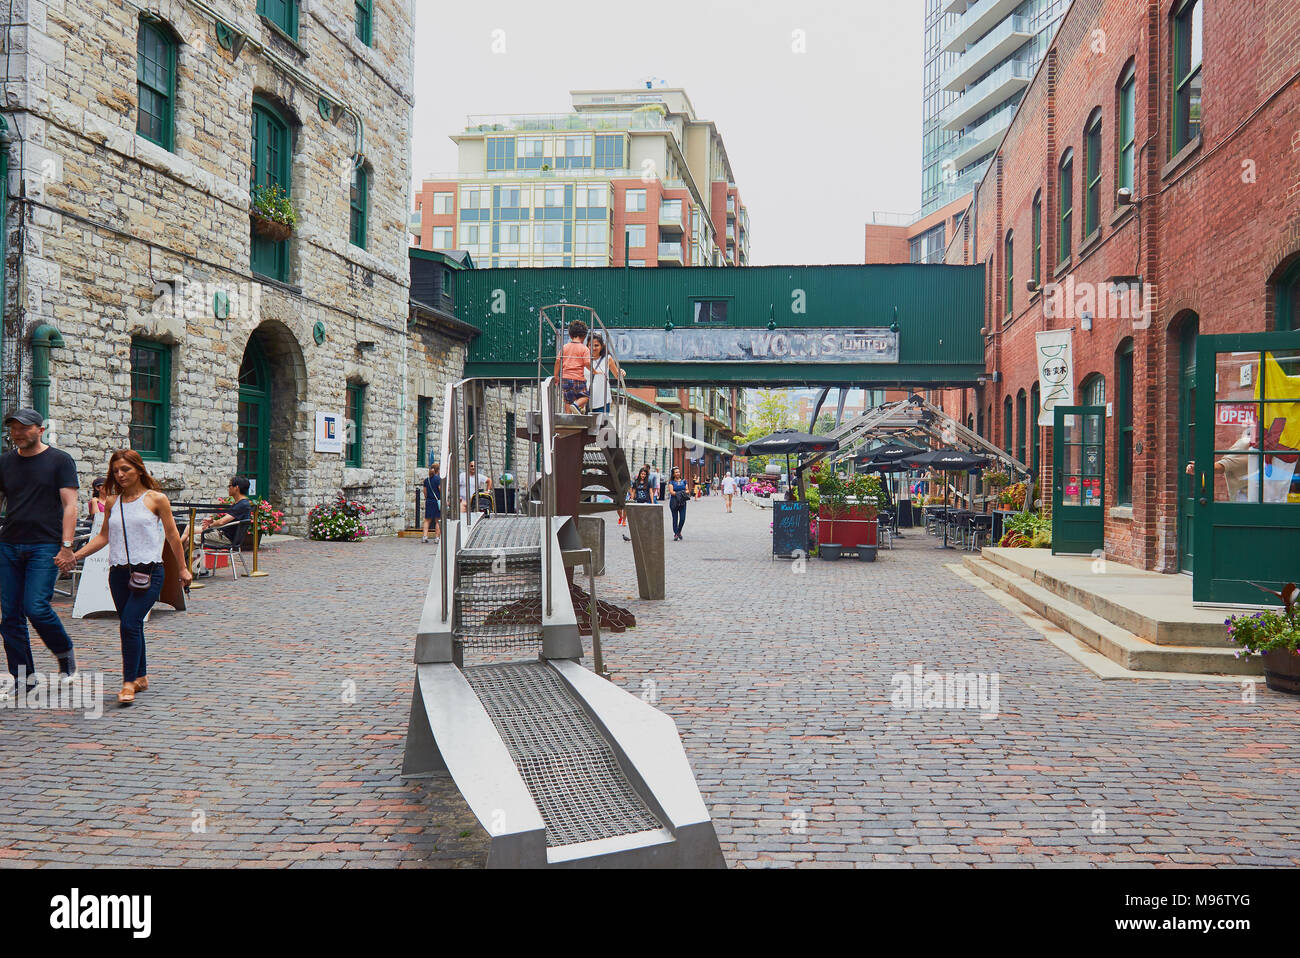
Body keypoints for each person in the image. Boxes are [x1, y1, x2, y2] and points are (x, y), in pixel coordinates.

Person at [72, 450, 190, 705]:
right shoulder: (113, 502)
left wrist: (182, 568)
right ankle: (141, 676)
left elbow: (171, 536)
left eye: (125, 469)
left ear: (138, 469)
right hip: (118, 573)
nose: (120, 475)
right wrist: (76, 555)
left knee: (128, 624)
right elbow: (104, 537)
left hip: (149, 571)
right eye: (115, 471)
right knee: (133, 624)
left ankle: (128, 683)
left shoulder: (156, 499)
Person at [0, 407, 79, 697]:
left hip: (45, 545)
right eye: (13, 428)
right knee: (10, 616)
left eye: (24, 427)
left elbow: (70, 505)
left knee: (36, 606)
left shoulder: (59, 460)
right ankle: (24, 678)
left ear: (40, 430)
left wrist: (67, 546)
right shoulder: (5, 463)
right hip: (8, 544)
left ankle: (64, 653)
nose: (18, 433)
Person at [197, 477, 253, 573]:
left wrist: (211, 525)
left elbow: (222, 522)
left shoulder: (242, 505)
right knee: (190, 532)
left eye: (230, 486)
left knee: (191, 538)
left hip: (225, 538)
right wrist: (213, 522)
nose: (228, 488)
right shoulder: (242, 503)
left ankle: (193, 570)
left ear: (236, 488)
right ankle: (196, 569)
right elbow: (227, 521)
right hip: (224, 535)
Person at [553, 319, 592, 414]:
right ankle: (576, 405)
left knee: (567, 400)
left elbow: (558, 361)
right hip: (578, 378)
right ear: (584, 336)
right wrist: (594, 370)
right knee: (585, 397)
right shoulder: (584, 348)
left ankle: (568, 417)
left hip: (565, 378)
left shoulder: (564, 347)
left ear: (570, 335)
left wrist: (556, 376)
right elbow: (587, 363)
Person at [586, 335, 622, 416]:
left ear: (602, 346)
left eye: (596, 345)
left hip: (602, 400)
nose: (594, 348)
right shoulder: (584, 359)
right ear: (587, 346)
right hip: (587, 400)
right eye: (591, 345)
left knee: (602, 427)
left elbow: (617, 375)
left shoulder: (607, 359)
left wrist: (621, 372)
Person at [422, 462, 442, 543]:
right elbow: (440, 490)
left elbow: (425, 492)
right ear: (438, 470)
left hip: (429, 501)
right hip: (437, 501)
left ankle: (425, 536)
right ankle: (437, 537)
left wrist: (427, 498)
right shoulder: (439, 480)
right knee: (438, 520)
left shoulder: (427, 480)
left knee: (427, 520)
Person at [668, 466, 689, 541]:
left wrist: (679, 493)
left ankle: (679, 531)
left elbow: (687, 490)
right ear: (673, 474)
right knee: (675, 518)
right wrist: (681, 493)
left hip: (682, 502)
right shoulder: (671, 482)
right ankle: (676, 533)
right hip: (674, 502)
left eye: (678, 472)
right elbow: (671, 492)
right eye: (676, 472)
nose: (678, 473)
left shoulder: (684, 481)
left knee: (682, 518)